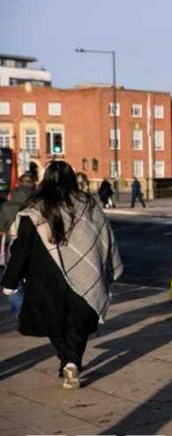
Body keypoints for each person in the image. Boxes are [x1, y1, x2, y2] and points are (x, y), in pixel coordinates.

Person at [1, 161, 123, 388]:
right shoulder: (87, 204)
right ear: (71, 178)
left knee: (52, 322)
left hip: (43, 276)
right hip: (83, 273)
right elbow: (104, 236)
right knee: (79, 321)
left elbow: (22, 248)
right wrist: (108, 266)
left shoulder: (35, 207)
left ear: (46, 178)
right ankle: (72, 361)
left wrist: (10, 280)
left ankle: (67, 360)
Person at [0, 173, 37, 317]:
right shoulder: (39, 203)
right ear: (33, 183)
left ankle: (20, 313)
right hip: (35, 247)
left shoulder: (6, 206)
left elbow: (2, 228)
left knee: (13, 281)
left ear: (18, 183)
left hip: (12, 247)